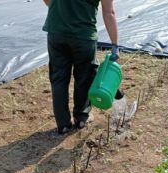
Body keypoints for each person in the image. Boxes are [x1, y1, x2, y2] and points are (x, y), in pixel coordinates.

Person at [42, 0, 122, 134]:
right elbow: (109, 13)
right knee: (84, 77)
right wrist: (115, 44)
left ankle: (63, 124)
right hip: (83, 35)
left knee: (58, 79)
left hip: (56, 32)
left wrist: (61, 9)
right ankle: (81, 118)